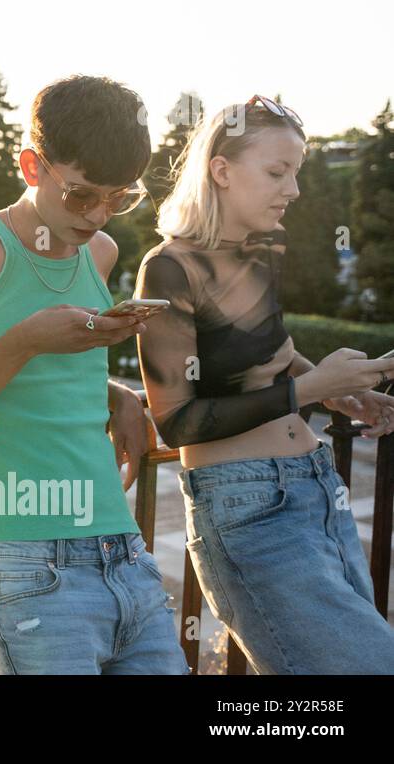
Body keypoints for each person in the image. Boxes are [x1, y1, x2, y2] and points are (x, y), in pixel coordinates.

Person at [0, 74, 188, 674]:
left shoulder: (102, 253)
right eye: (82, 194)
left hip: (123, 549)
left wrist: (113, 392)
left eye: (120, 198)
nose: (99, 215)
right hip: (25, 558)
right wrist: (27, 341)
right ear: (32, 166)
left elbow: (57, 382)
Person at [136, 96, 394, 674]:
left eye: (296, 172)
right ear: (221, 171)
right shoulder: (168, 267)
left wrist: (334, 388)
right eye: (278, 172)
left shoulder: (259, 253)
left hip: (316, 490)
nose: (295, 189)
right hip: (250, 511)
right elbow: (176, 421)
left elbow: (267, 352)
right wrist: (311, 388)